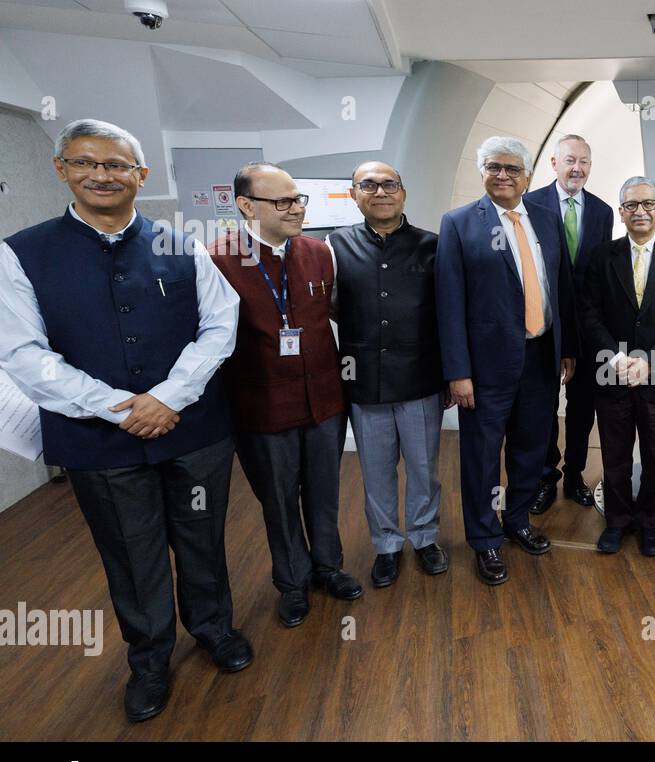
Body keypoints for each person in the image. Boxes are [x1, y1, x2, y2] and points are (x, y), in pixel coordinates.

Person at [0, 118, 251, 722]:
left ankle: (214, 628)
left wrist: (169, 397)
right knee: (130, 552)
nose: (101, 175)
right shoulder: (21, 252)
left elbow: (220, 323)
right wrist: (119, 407)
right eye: (86, 163)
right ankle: (149, 660)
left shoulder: (180, 243)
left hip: (192, 429)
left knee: (201, 536)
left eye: (116, 165)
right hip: (97, 440)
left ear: (140, 175)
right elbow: (23, 355)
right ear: (62, 169)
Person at [209, 162, 362, 628]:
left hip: (323, 401)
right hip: (262, 408)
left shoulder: (319, 252)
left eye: (298, 199)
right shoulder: (217, 259)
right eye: (283, 202)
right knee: (277, 499)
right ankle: (292, 583)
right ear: (246, 206)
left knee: (323, 492)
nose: (296, 208)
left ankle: (328, 568)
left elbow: (333, 314)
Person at [436, 136, 576, 586]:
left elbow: (562, 289)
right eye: (494, 167)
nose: (503, 175)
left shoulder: (548, 220)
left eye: (512, 169)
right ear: (482, 172)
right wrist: (457, 372)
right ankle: (484, 539)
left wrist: (567, 348)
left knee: (530, 449)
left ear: (528, 177)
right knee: (480, 456)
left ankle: (516, 520)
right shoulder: (459, 224)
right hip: (485, 368)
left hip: (541, 357)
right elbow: (449, 302)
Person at [328, 161, 447, 588]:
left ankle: (425, 536)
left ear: (403, 192)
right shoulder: (334, 246)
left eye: (389, 184)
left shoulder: (432, 245)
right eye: (369, 185)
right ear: (354, 193)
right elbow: (332, 307)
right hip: (363, 381)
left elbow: (444, 314)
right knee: (375, 472)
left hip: (420, 380)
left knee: (423, 468)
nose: (380, 192)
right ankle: (386, 545)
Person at [582, 176, 655, 556]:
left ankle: (650, 522)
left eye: (648, 203)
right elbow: (589, 313)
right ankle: (616, 520)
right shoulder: (600, 257)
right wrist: (616, 357)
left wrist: (648, 361)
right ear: (621, 213)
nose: (640, 211)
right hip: (608, 367)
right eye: (631, 205)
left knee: (654, 455)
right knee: (614, 453)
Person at [525, 134, 614, 513]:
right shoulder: (528, 205)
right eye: (570, 160)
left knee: (582, 407)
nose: (577, 168)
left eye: (584, 161)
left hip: (588, 327)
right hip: (545, 325)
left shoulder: (603, 211)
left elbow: (598, 277)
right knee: (543, 405)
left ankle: (575, 472)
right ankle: (546, 475)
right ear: (554, 163)